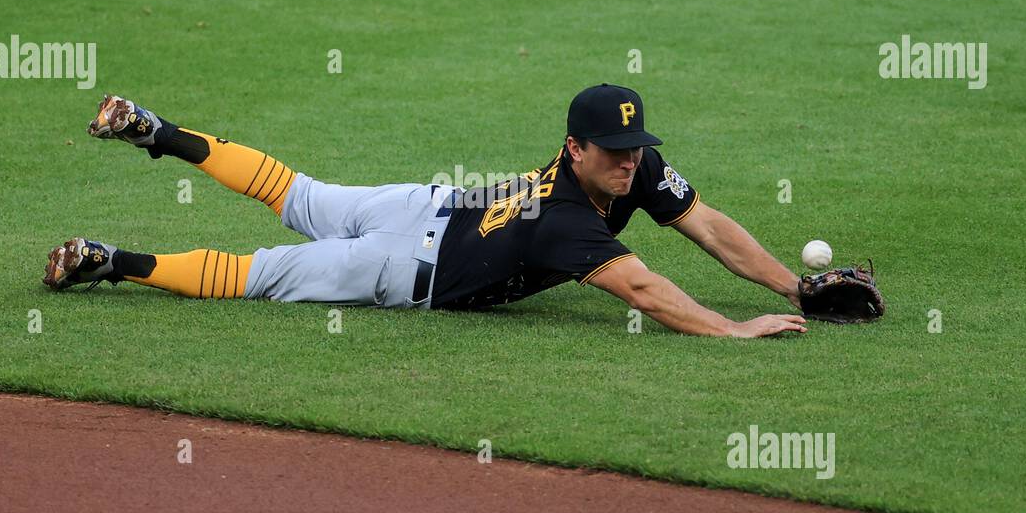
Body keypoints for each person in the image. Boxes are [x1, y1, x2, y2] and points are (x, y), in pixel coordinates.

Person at [43, 84, 807, 338]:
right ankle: (114, 261)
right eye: (613, 150)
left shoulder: (631, 169)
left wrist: (793, 290)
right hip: (401, 266)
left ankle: (153, 129)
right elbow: (643, 290)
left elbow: (704, 222)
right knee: (258, 275)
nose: (631, 160)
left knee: (293, 190)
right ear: (573, 150)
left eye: (635, 146)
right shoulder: (570, 219)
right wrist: (734, 329)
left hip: (427, 202)